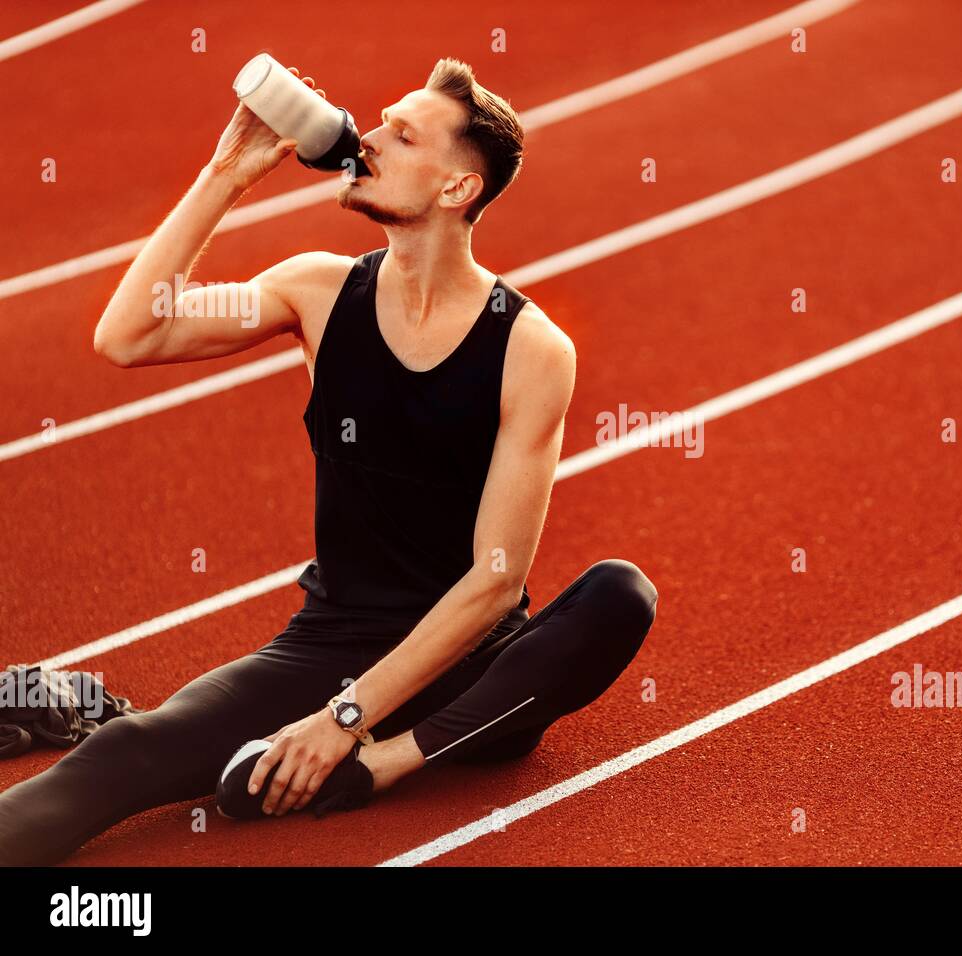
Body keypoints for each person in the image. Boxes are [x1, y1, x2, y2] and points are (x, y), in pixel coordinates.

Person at [0, 58, 657, 866]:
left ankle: (385, 764)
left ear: (457, 190)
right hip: (329, 644)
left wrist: (345, 726)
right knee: (124, 750)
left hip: (468, 669)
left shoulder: (530, 348)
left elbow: (492, 582)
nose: (367, 139)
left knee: (619, 594)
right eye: (378, 123)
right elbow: (129, 334)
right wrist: (225, 175)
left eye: (401, 135)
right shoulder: (317, 291)